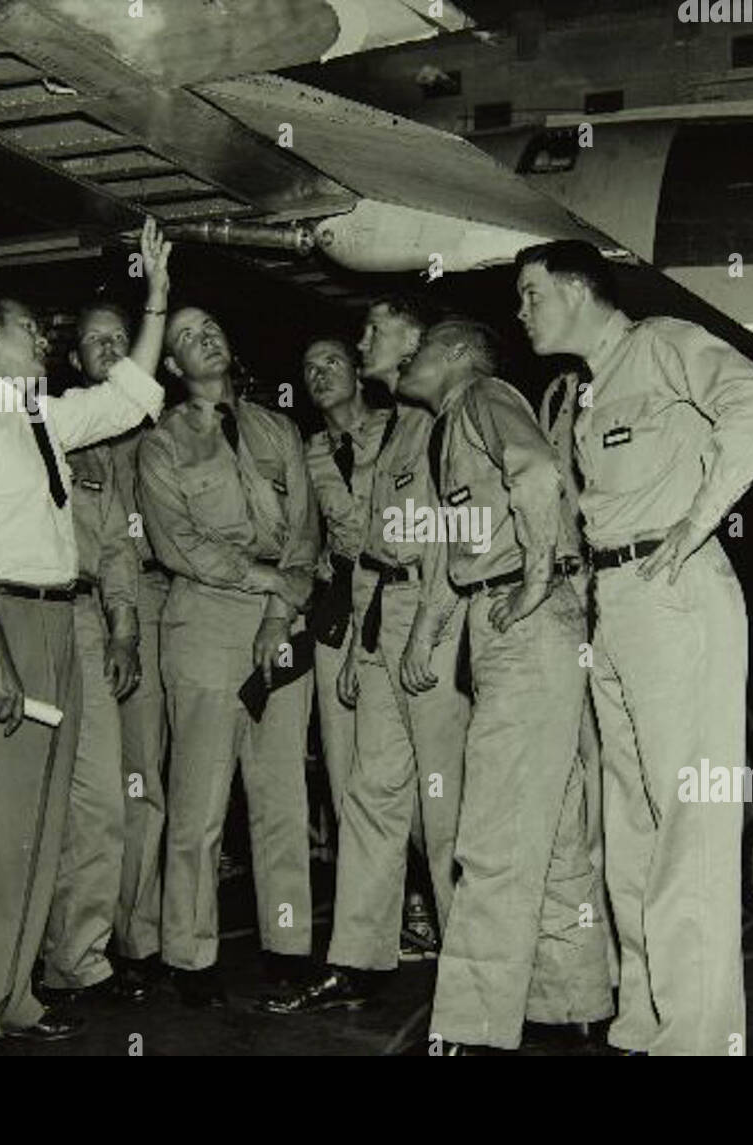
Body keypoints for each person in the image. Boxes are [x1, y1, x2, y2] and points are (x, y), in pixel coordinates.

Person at [515, 239, 753, 1055]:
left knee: (687, 827)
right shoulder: (588, 393)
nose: (520, 311)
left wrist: (697, 519)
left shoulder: (662, 344)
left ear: (574, 288)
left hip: (677, 596)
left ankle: (699, 1040)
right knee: (632, 832)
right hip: (618, 604)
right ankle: (646, 1024)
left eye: (529, 293)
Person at [0, 226, 170, 1056]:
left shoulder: (40, 417)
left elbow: (129, 397)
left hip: (59, 620)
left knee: (38, 822)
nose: (45, 341)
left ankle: (12, 991)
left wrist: (156, 295)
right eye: (31, 329)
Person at [401, 318, 613, 1054]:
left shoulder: (484, 396)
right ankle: (573, 1001)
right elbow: (451, 548)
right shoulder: (451, 426)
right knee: (548, 829)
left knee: (490, 834)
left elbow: (540, 475)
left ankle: (470, 1026)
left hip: (524, 623)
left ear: (456, 352)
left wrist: (531, 581)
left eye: (419, 346)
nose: (406, 357)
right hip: (514, 626)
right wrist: (428, 633)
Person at [261, 300, 470, 1016]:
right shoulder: (400, 427)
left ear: (415, 343)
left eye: (370, 337)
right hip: (376, 619)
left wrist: (420, 630)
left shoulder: (445, 418)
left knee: (443, 804)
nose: (359, 344)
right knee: (369, 794)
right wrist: (360, 638)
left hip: (430, 620)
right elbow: (366, 550)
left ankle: (471, 968)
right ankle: (358, 959)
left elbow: (454, 533)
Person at [138, 307, 318, 1005]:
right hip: (205, 618)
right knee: (199, 802)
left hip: (281, 617)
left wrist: (279, 607)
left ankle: (288, 946)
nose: (204, 335)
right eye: (184, 335)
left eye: (211, 324)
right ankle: (189, 956)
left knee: (281, 796)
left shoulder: (279, 428)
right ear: (174, 368)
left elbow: (304, 530)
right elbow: (174, 541)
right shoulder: (163, 444)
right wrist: (264, 580)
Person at [38, 291, 175, 1007]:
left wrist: (125, 626)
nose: (112, 350)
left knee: (126, 790)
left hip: (107, 614)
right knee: (68, 795)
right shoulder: (52, 425)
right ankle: (66, 952)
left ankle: (111, 944)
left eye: (123, 338)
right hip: (39, 612)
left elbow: (118, 544)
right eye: (96, 341)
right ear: (70, 357)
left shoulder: (133, 436)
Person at [537, 365, 620, 993]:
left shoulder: (613, 398)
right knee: (580, 762)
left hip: (600, 588)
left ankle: (615, 953)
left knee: (606, 764)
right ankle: (593, 957)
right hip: (566, 589)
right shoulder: (554, 399)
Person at [299, 336, 391, 820]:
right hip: (339, 605)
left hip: (396, 597)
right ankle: (362, 887)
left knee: (397, 755)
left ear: (358, 372)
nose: (320, 373)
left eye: (332, 361)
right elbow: (302, 528)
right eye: (310, 368)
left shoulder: (399, 430)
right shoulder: (308, 453)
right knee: (343, 756)